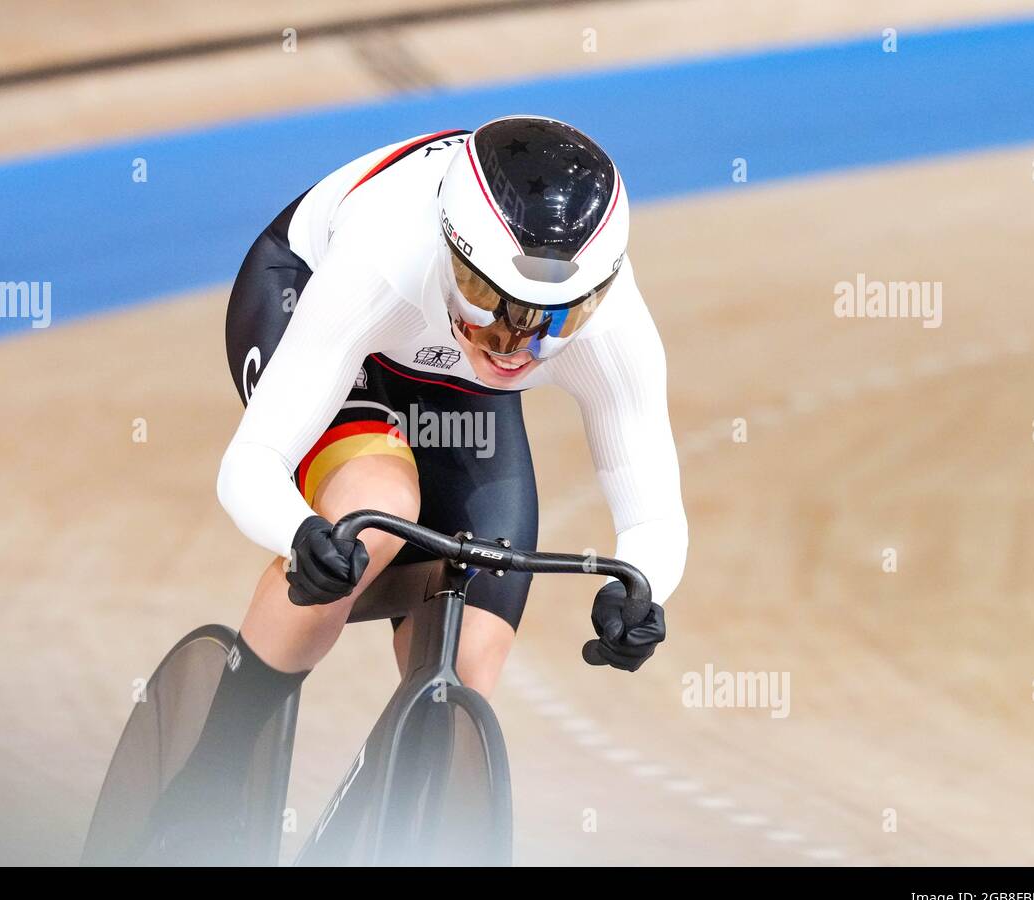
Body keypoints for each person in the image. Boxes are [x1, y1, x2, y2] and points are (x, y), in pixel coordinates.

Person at [212, 115, 687, 773]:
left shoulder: (613, 328)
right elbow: (250, 465)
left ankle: (395, 816)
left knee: (472, 655)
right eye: (488, 298)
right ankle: (209, 776)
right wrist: (300, 532)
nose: (515, 344)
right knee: (376, 509)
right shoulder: (379, 259)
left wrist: (643, 593)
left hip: (451, 375)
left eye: (556, 319)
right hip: (305, 289)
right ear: (449, 249)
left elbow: (653, 517)